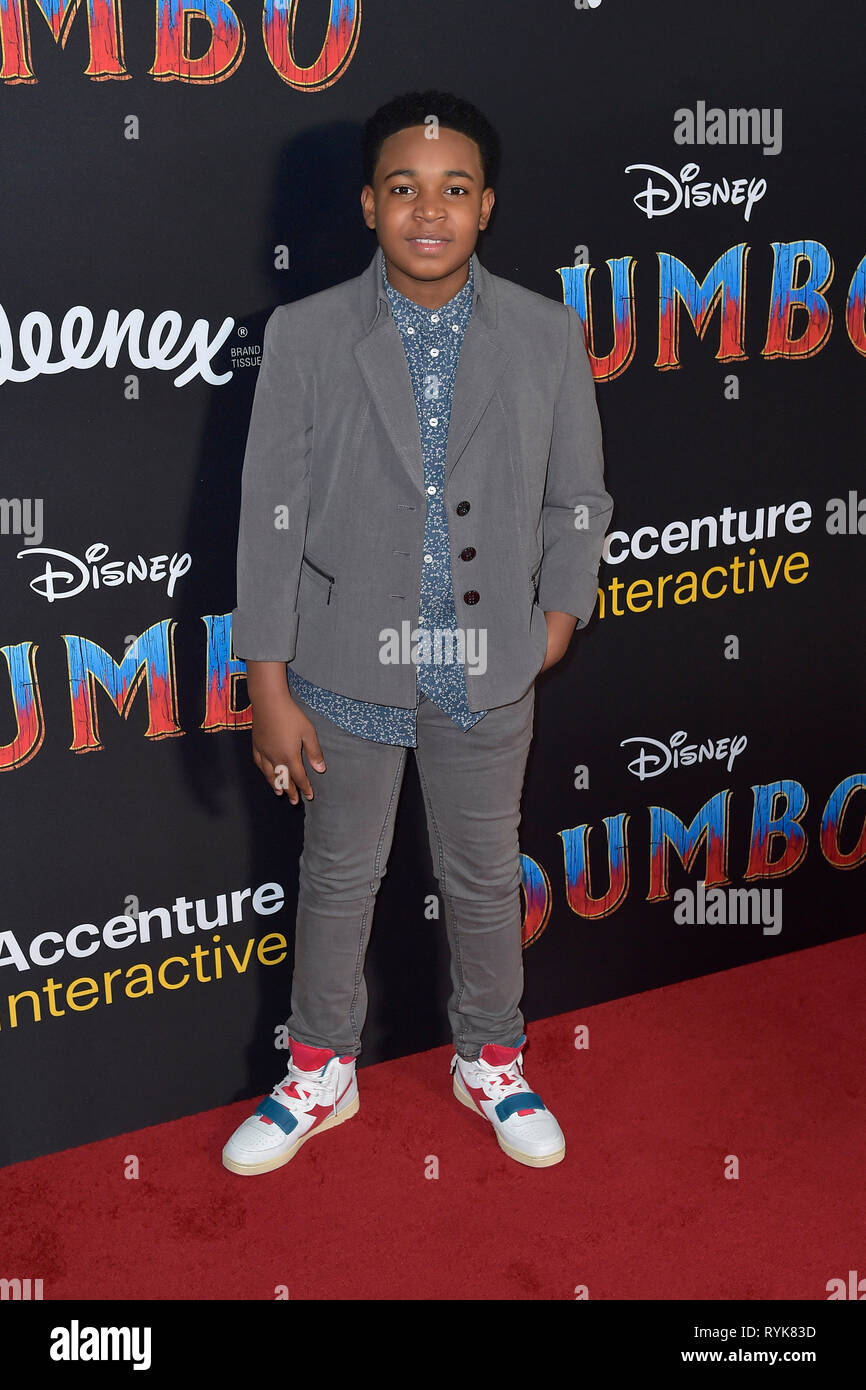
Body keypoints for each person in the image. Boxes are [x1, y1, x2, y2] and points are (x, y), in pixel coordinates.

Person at [222, 90, 613, 1176]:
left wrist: (556, 619)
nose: (426, 211)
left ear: (485, 206)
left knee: (486, 873)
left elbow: (578, 495)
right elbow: (269, 518)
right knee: (338, 873)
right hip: (343, 659)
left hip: (487, 662)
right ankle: (318, 1066)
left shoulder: (543, 331)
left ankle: (490, 1054)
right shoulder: (304, 337)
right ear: (366, 205)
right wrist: (268, 683)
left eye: (451, 191)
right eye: (403, 189)